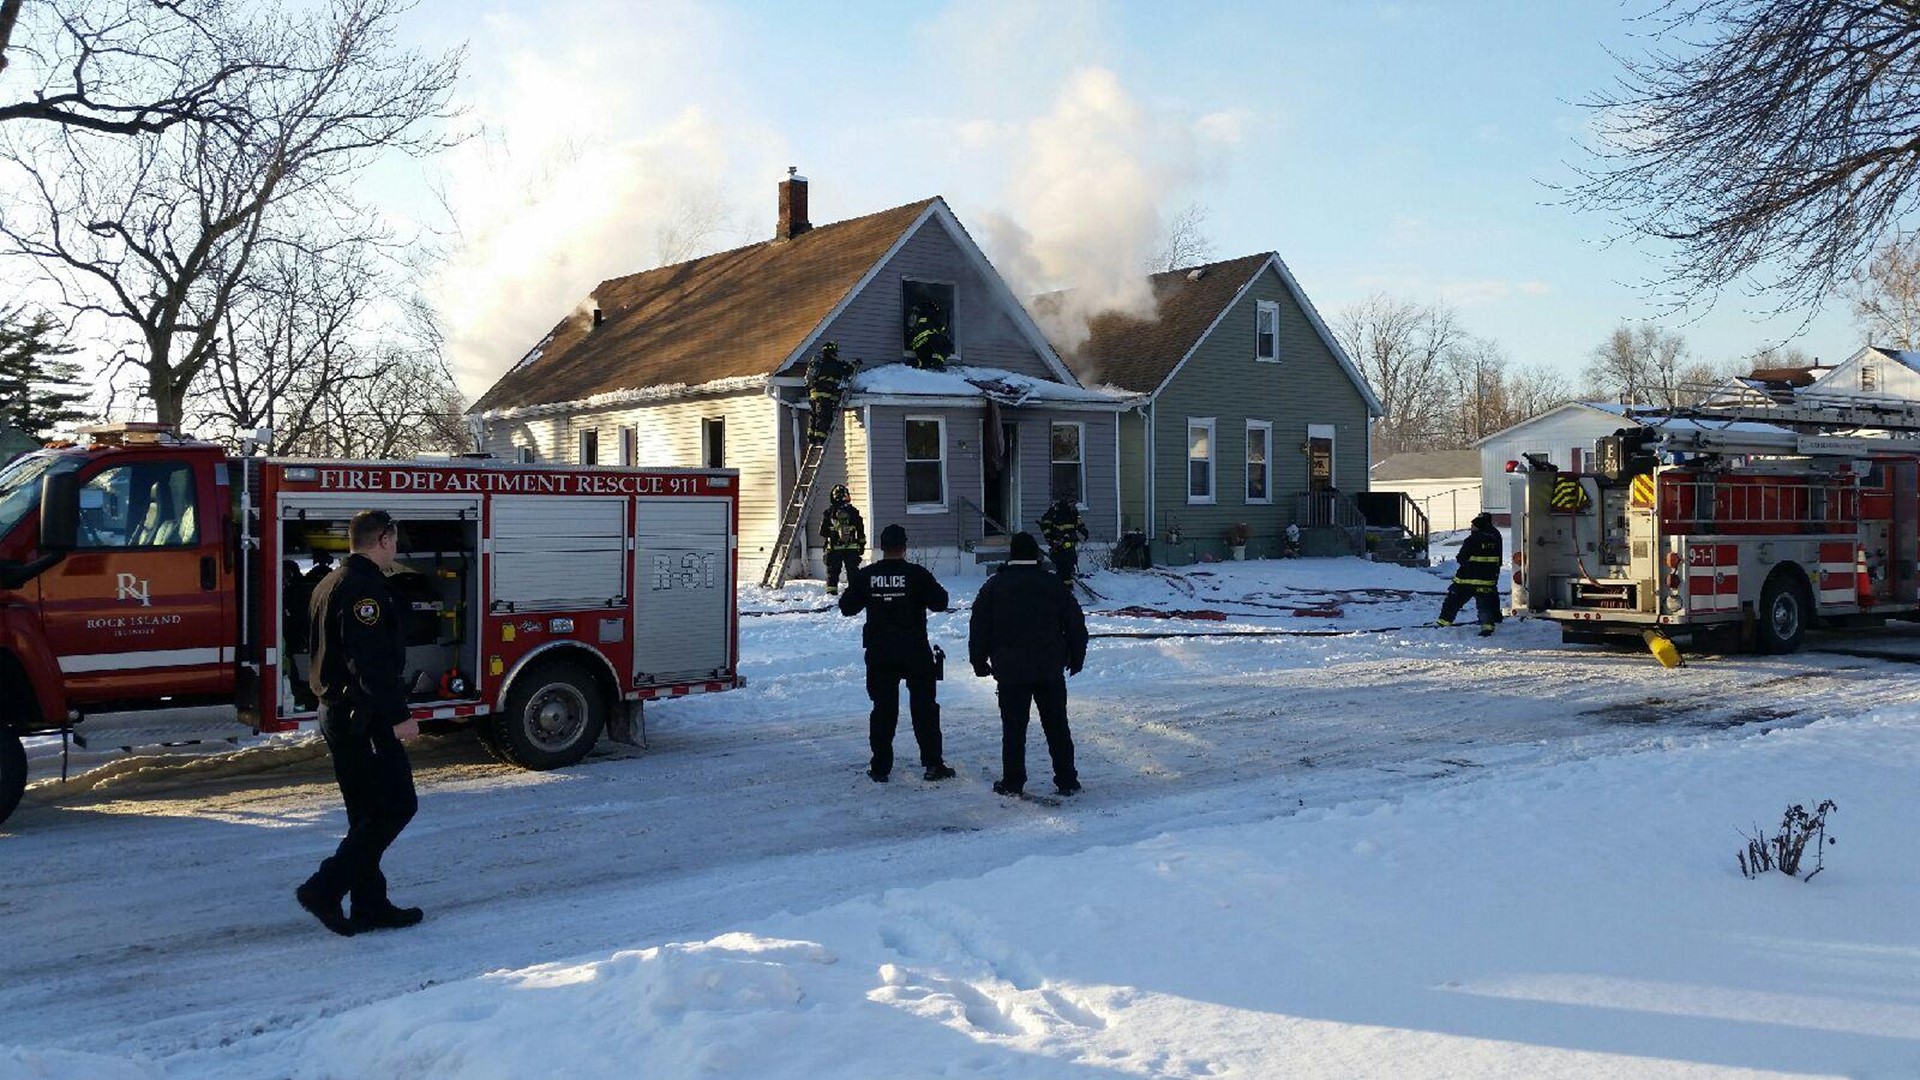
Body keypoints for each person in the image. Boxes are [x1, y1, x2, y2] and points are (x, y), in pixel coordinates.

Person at [296, 509, 424, 936]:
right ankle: (325, 888)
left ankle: (370, 905)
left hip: (340, 713)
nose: (396, 549)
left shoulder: (329, 583)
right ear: (383, 538)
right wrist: (399, 717)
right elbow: (368, 664)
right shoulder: (363, 590)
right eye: (395, 540)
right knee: (398, 805)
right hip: (363, 718)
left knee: (366, 815)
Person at [969, 531, 1088, 798]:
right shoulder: (1054, 584)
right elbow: (1075, 624)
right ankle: (1067, 778)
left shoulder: (995, 585)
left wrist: (979, 660)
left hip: (1010, 670)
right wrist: (1076, 656)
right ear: (1036, 554)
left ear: (1012, 554)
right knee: (1057, 725)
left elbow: (978, 626)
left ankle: (1013, 781)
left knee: (1013, 728)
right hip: (1049, 667)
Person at [838, 523, 955, 783]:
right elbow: (941, 602)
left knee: (883, 710)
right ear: (904, 547)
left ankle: (880, 767)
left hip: (881, 653)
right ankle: (933, 764)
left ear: (881, 548)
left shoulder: (868, 575)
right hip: (914, 651)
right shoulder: (916, 574)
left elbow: (846, 607)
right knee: (924, 709)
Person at [1437, 512, 1503, 637]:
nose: (1471, 528)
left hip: (1466, 580)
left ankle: (1443, 623)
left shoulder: (1472, 540)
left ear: (1477, 526)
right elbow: (1497, 560)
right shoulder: (1495, 538)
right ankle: (1487, 627)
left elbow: (1461, 558)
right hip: (1486, 580)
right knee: (1485, 606)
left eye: (1473, 525)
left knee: (1452, 602)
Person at [820, 484, 865, 596]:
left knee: (833, 571)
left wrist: (832, 533)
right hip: (851, 548)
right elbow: (860, 530)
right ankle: (854, 592)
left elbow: (822, 532)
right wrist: (862, 545)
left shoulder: (829, 512)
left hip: (834, 548)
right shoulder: (854, 512)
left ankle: (831, 593)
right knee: (853, 571)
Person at [805, 341, 855, 442]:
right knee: (824, 416)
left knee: (814, 415)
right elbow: (845, 370)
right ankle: (821, 438)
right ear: (832, 352)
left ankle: (811, 437)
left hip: (813, 394)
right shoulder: (832, 363)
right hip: (825, 394)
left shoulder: (818, 362)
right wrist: (854, 365)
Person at [1038, 493, 1089, 579]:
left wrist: (1083, 530)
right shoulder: (1056, 510)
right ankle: (1064, 579)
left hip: (1070, 540)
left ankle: (1069, 574)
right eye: (1071, 502)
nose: (1073, 505)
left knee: (1071, 557)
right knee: (1062, 561)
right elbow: (1045, 523)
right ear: (1065, 501)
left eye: (1074, 503)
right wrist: (1049, 537)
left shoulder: (1074, 511)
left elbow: (1078, 521)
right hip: (1058, 540)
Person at [907, 301, 952, 371]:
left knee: (926, 362)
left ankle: (918, 362)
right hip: (928, 339)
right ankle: (938, 362)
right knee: (948, 345)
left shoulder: (918, 318)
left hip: (917, 345)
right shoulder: (931, 317)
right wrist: (946, 330)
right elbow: (943, 328)